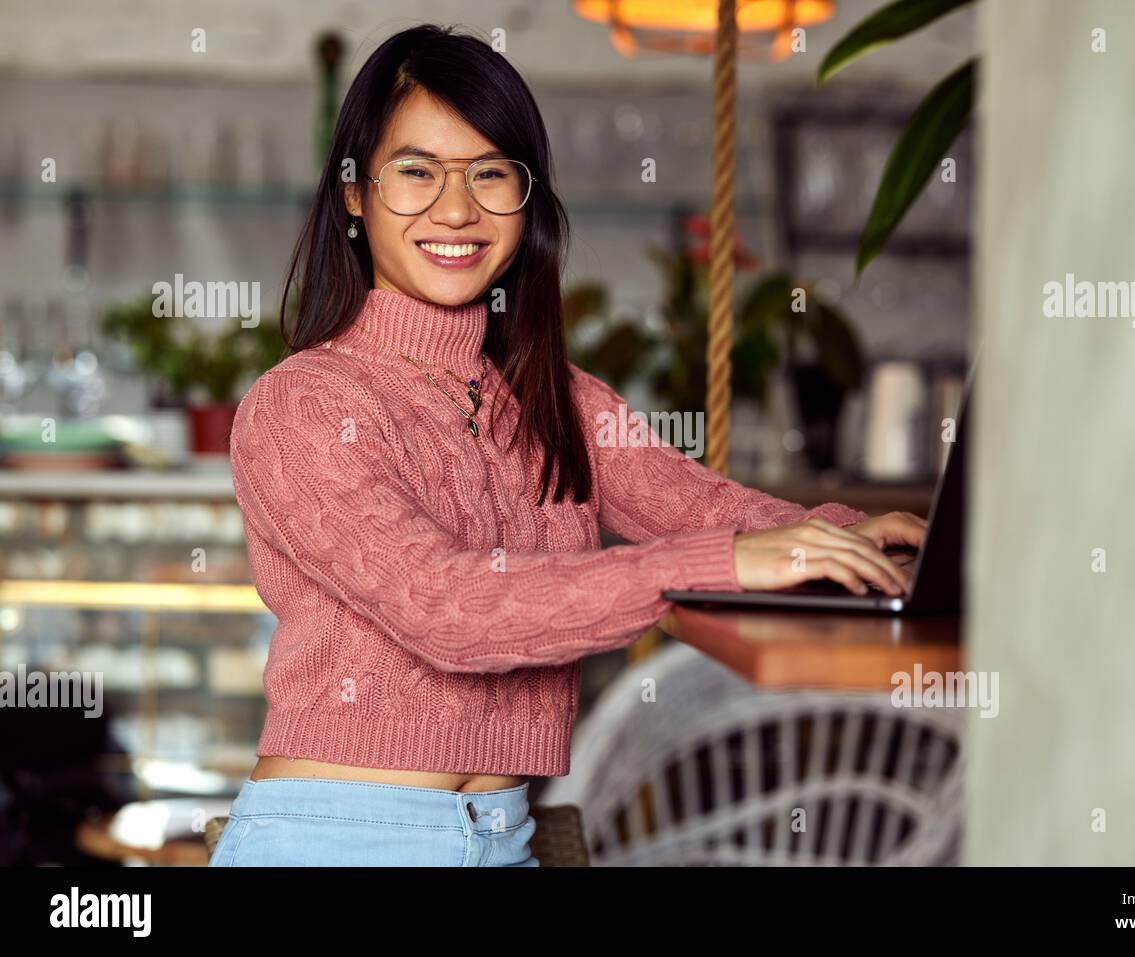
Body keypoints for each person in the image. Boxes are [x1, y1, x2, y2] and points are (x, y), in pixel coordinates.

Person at [209, 24, 926, 867]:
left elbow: (699, 505)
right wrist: (718, 561)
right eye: (416, 172)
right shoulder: (300, 405)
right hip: (335, 841)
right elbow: (447, 609)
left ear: (528, 198)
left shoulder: (559, 396)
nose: (456, 209)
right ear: (355, 196)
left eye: (490, 173)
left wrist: (836, 533)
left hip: (507, 838)